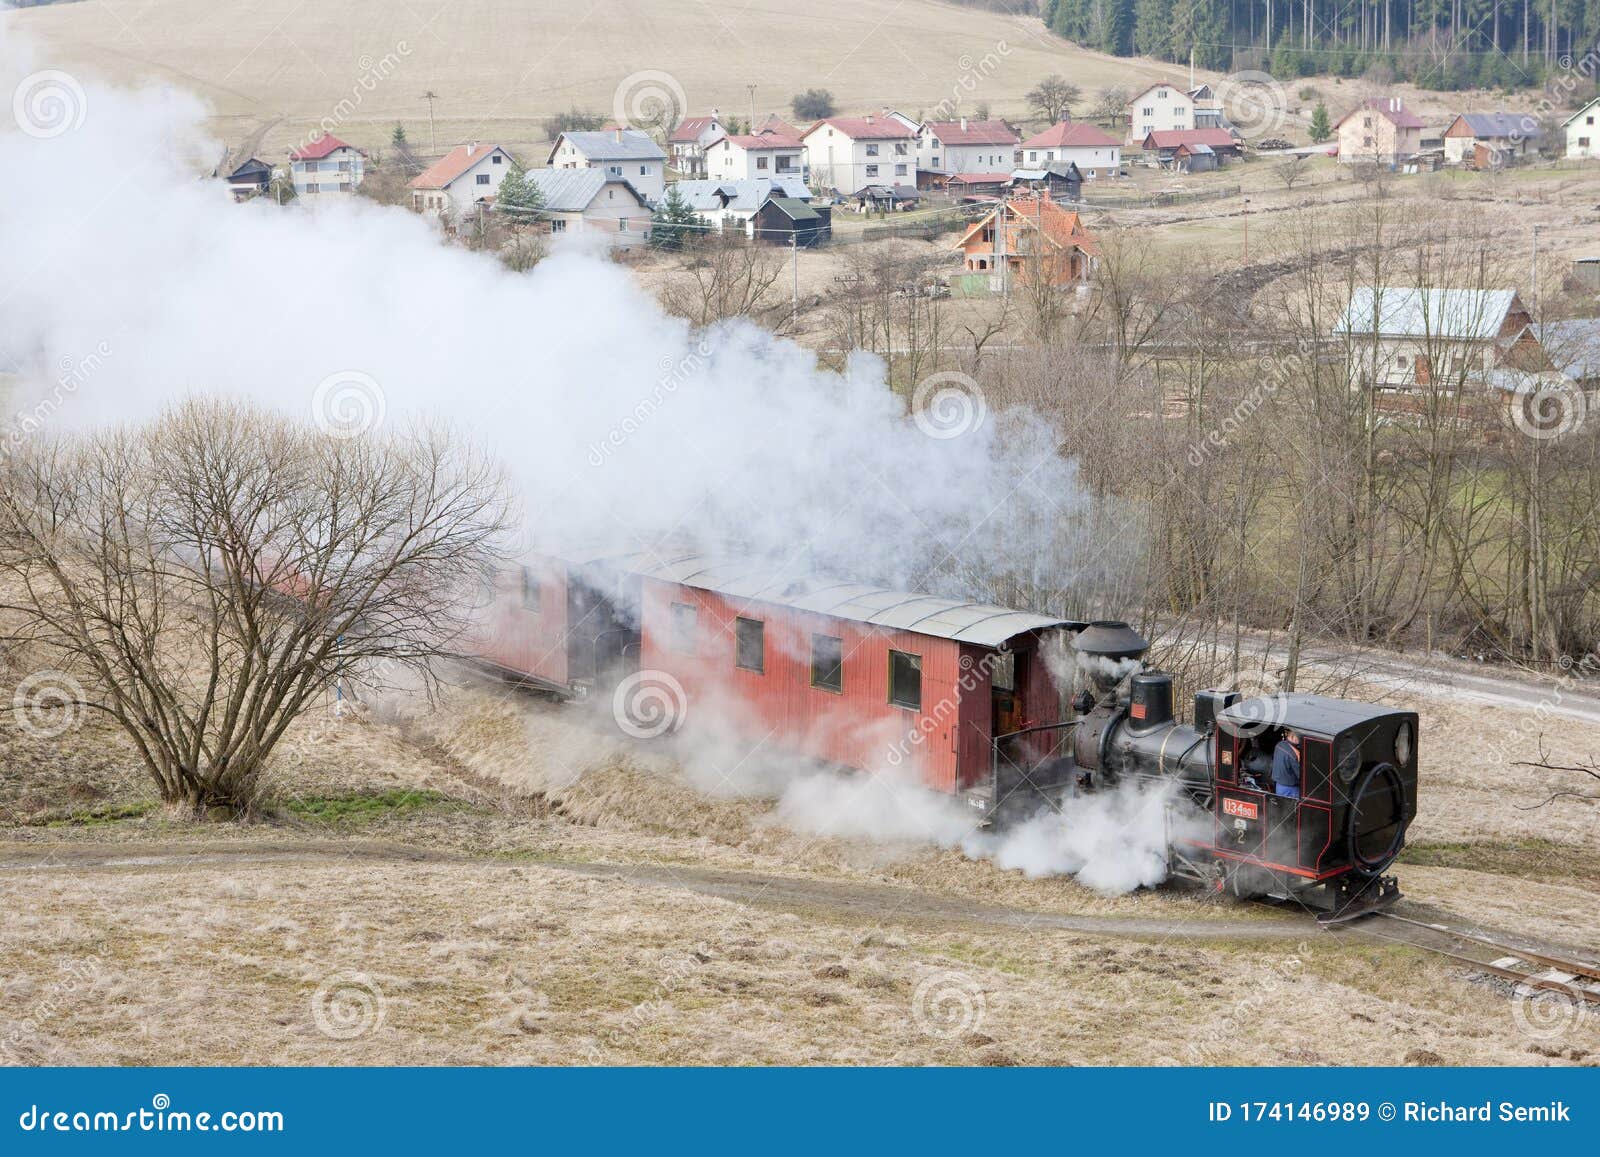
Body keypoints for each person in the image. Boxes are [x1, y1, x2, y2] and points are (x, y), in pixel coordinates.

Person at [1271, 729, 1302, 799]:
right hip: (1290, 788)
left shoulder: (1279, 745)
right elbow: (1300, 775)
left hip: (1278, 785)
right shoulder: (1294, 754)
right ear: (1292, 736)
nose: (1300, 741)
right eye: (1299, 738)